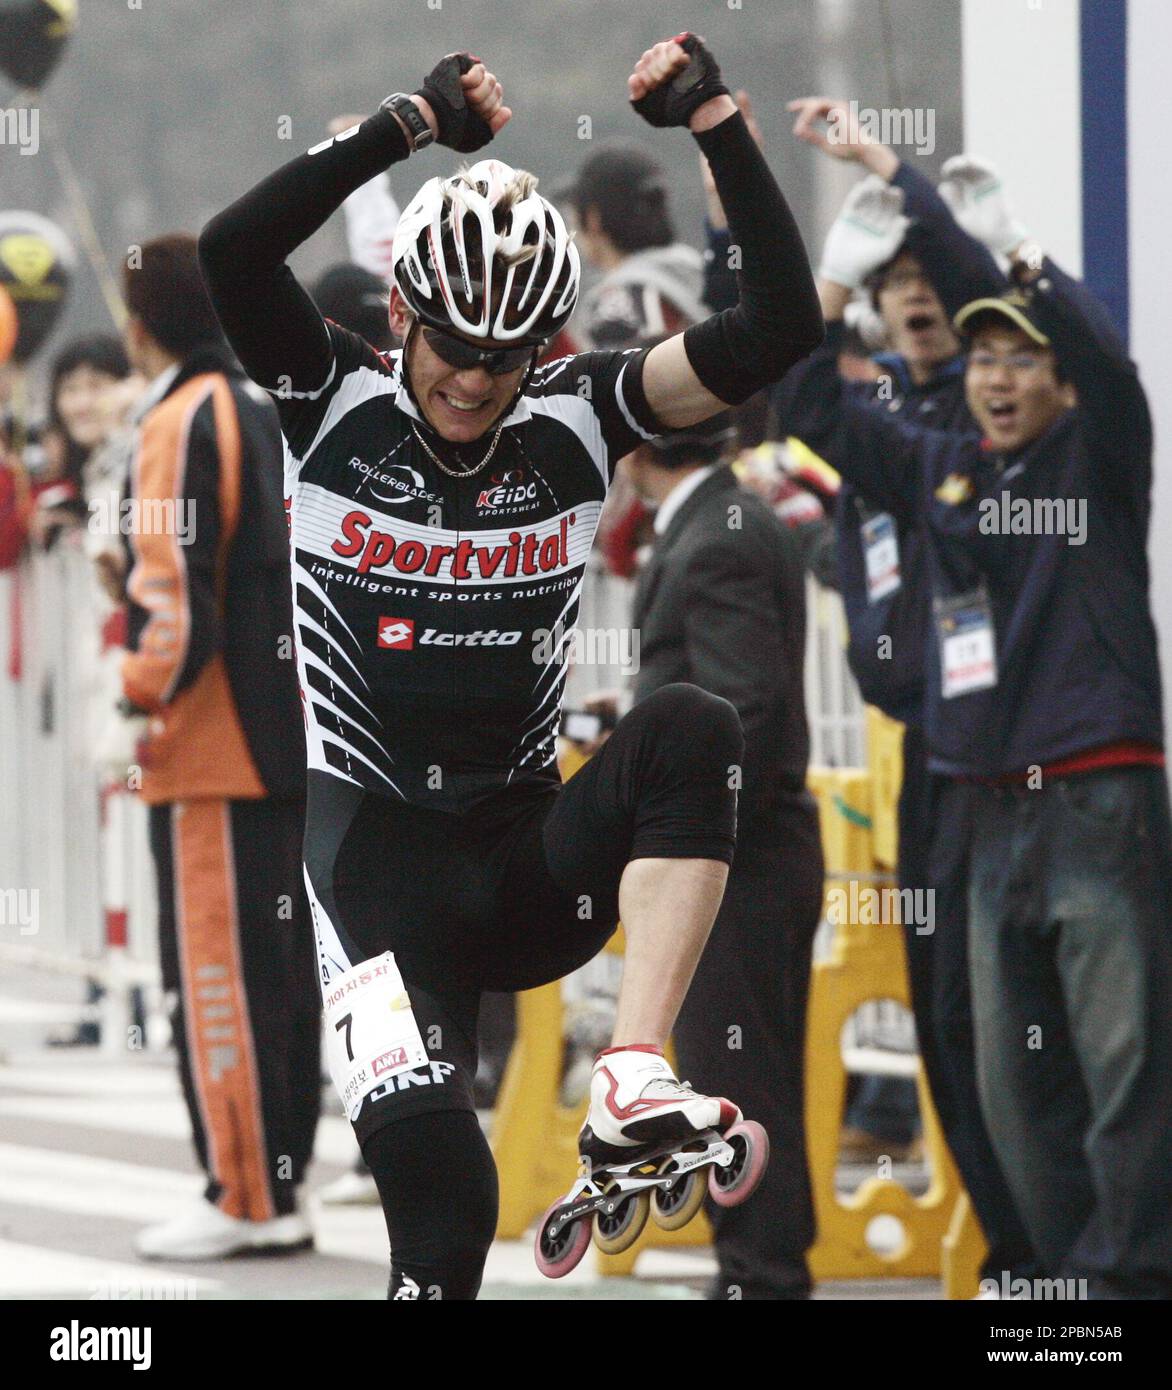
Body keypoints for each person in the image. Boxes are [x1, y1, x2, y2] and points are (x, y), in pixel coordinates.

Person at [199, 35, 822, 1298]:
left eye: (508, 353)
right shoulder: (327, 398)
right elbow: (229, 255)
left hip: (520, 863)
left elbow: (778, 328)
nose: (476, 380)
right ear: (402, 318)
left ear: (545, 341)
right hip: (368, 891)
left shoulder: (582, 412)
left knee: (693, 723)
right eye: (454, 348)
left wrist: (712, 121)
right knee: (443, 1214)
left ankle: (633, 1072)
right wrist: (404, 123)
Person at [775, 149, 1172, 1296]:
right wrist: (834, 280)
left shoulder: (1098, 459)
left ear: (1054, 380)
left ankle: (1129, 1284)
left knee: (1125, 1069)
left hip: (1096, 797)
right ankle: (1057, 1286)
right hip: (985, 814)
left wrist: (1015, 258)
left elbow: (1105, 358)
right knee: (1008, 1090)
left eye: (1020, 357)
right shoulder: (940, 469)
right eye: (983, 355)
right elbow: (805, 401)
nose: (997, 378)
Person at [119, 235, 320, 1261]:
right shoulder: (257, 404)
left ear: (138, 320)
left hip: (209, 745)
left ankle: (241, 1193)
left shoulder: (176, 416)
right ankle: (279, 1184)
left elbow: (169, 598)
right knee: (281, 977)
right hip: (287, 737)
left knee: (217, 973)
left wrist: (128, 694)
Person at [621, 413, 823, 1299]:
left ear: (638, 448)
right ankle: (759, 1263)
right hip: (747, 845)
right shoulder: (722, 523)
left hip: (736, 855)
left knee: (735, 1075)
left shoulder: (717, 541)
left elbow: (744, 708)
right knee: (738, 1068)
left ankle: (761, 1273)